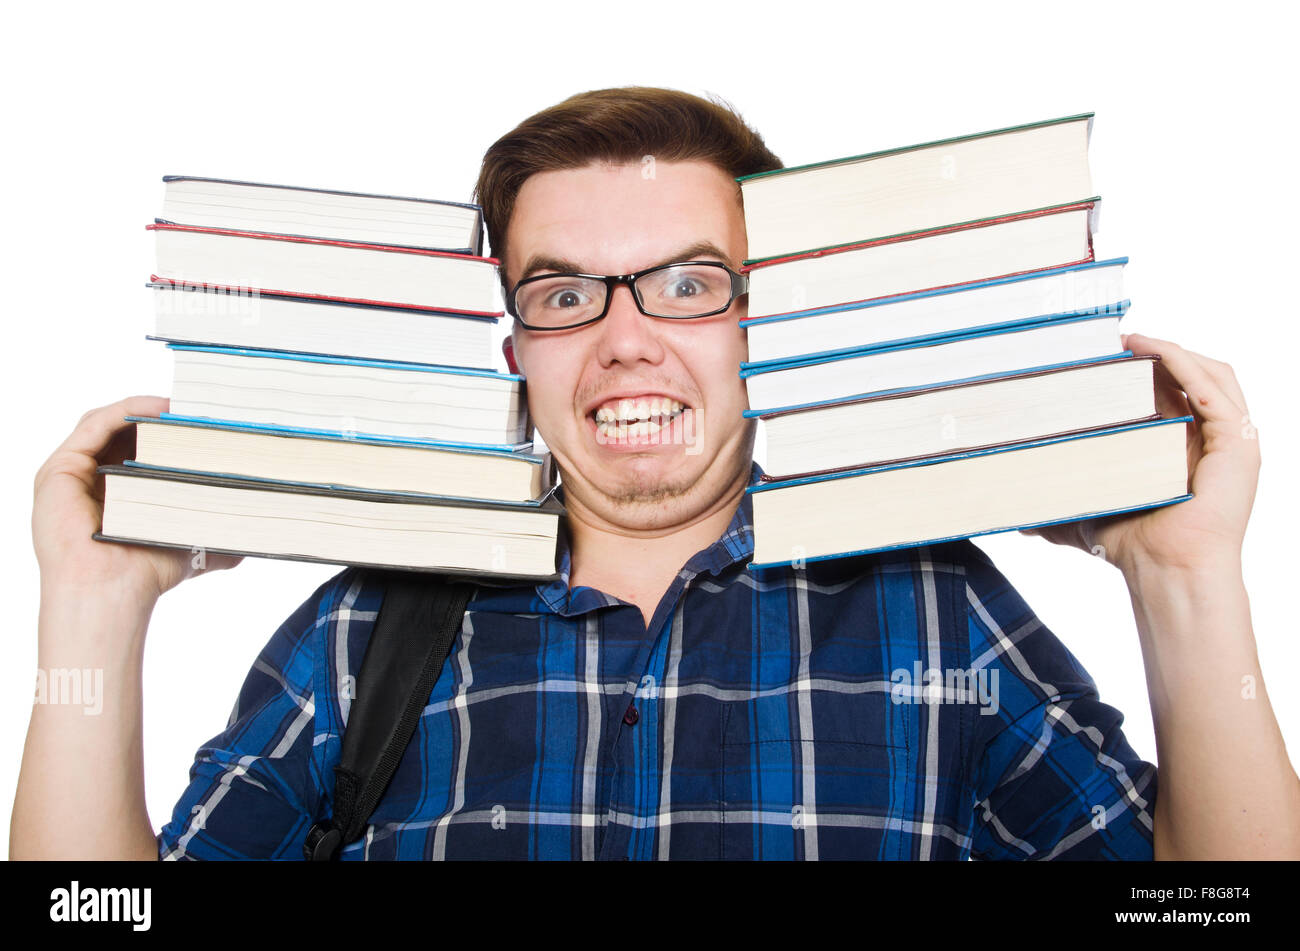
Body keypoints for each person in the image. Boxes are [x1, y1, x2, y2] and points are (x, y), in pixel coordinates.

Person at [13, 87, 1300, 860]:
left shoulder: (933, 614)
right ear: (512, 346)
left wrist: (1187, 582)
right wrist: (90, 611)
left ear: (770, 318)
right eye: (566, 292)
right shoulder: (368, 632)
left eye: (689, 284)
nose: (627, 338)